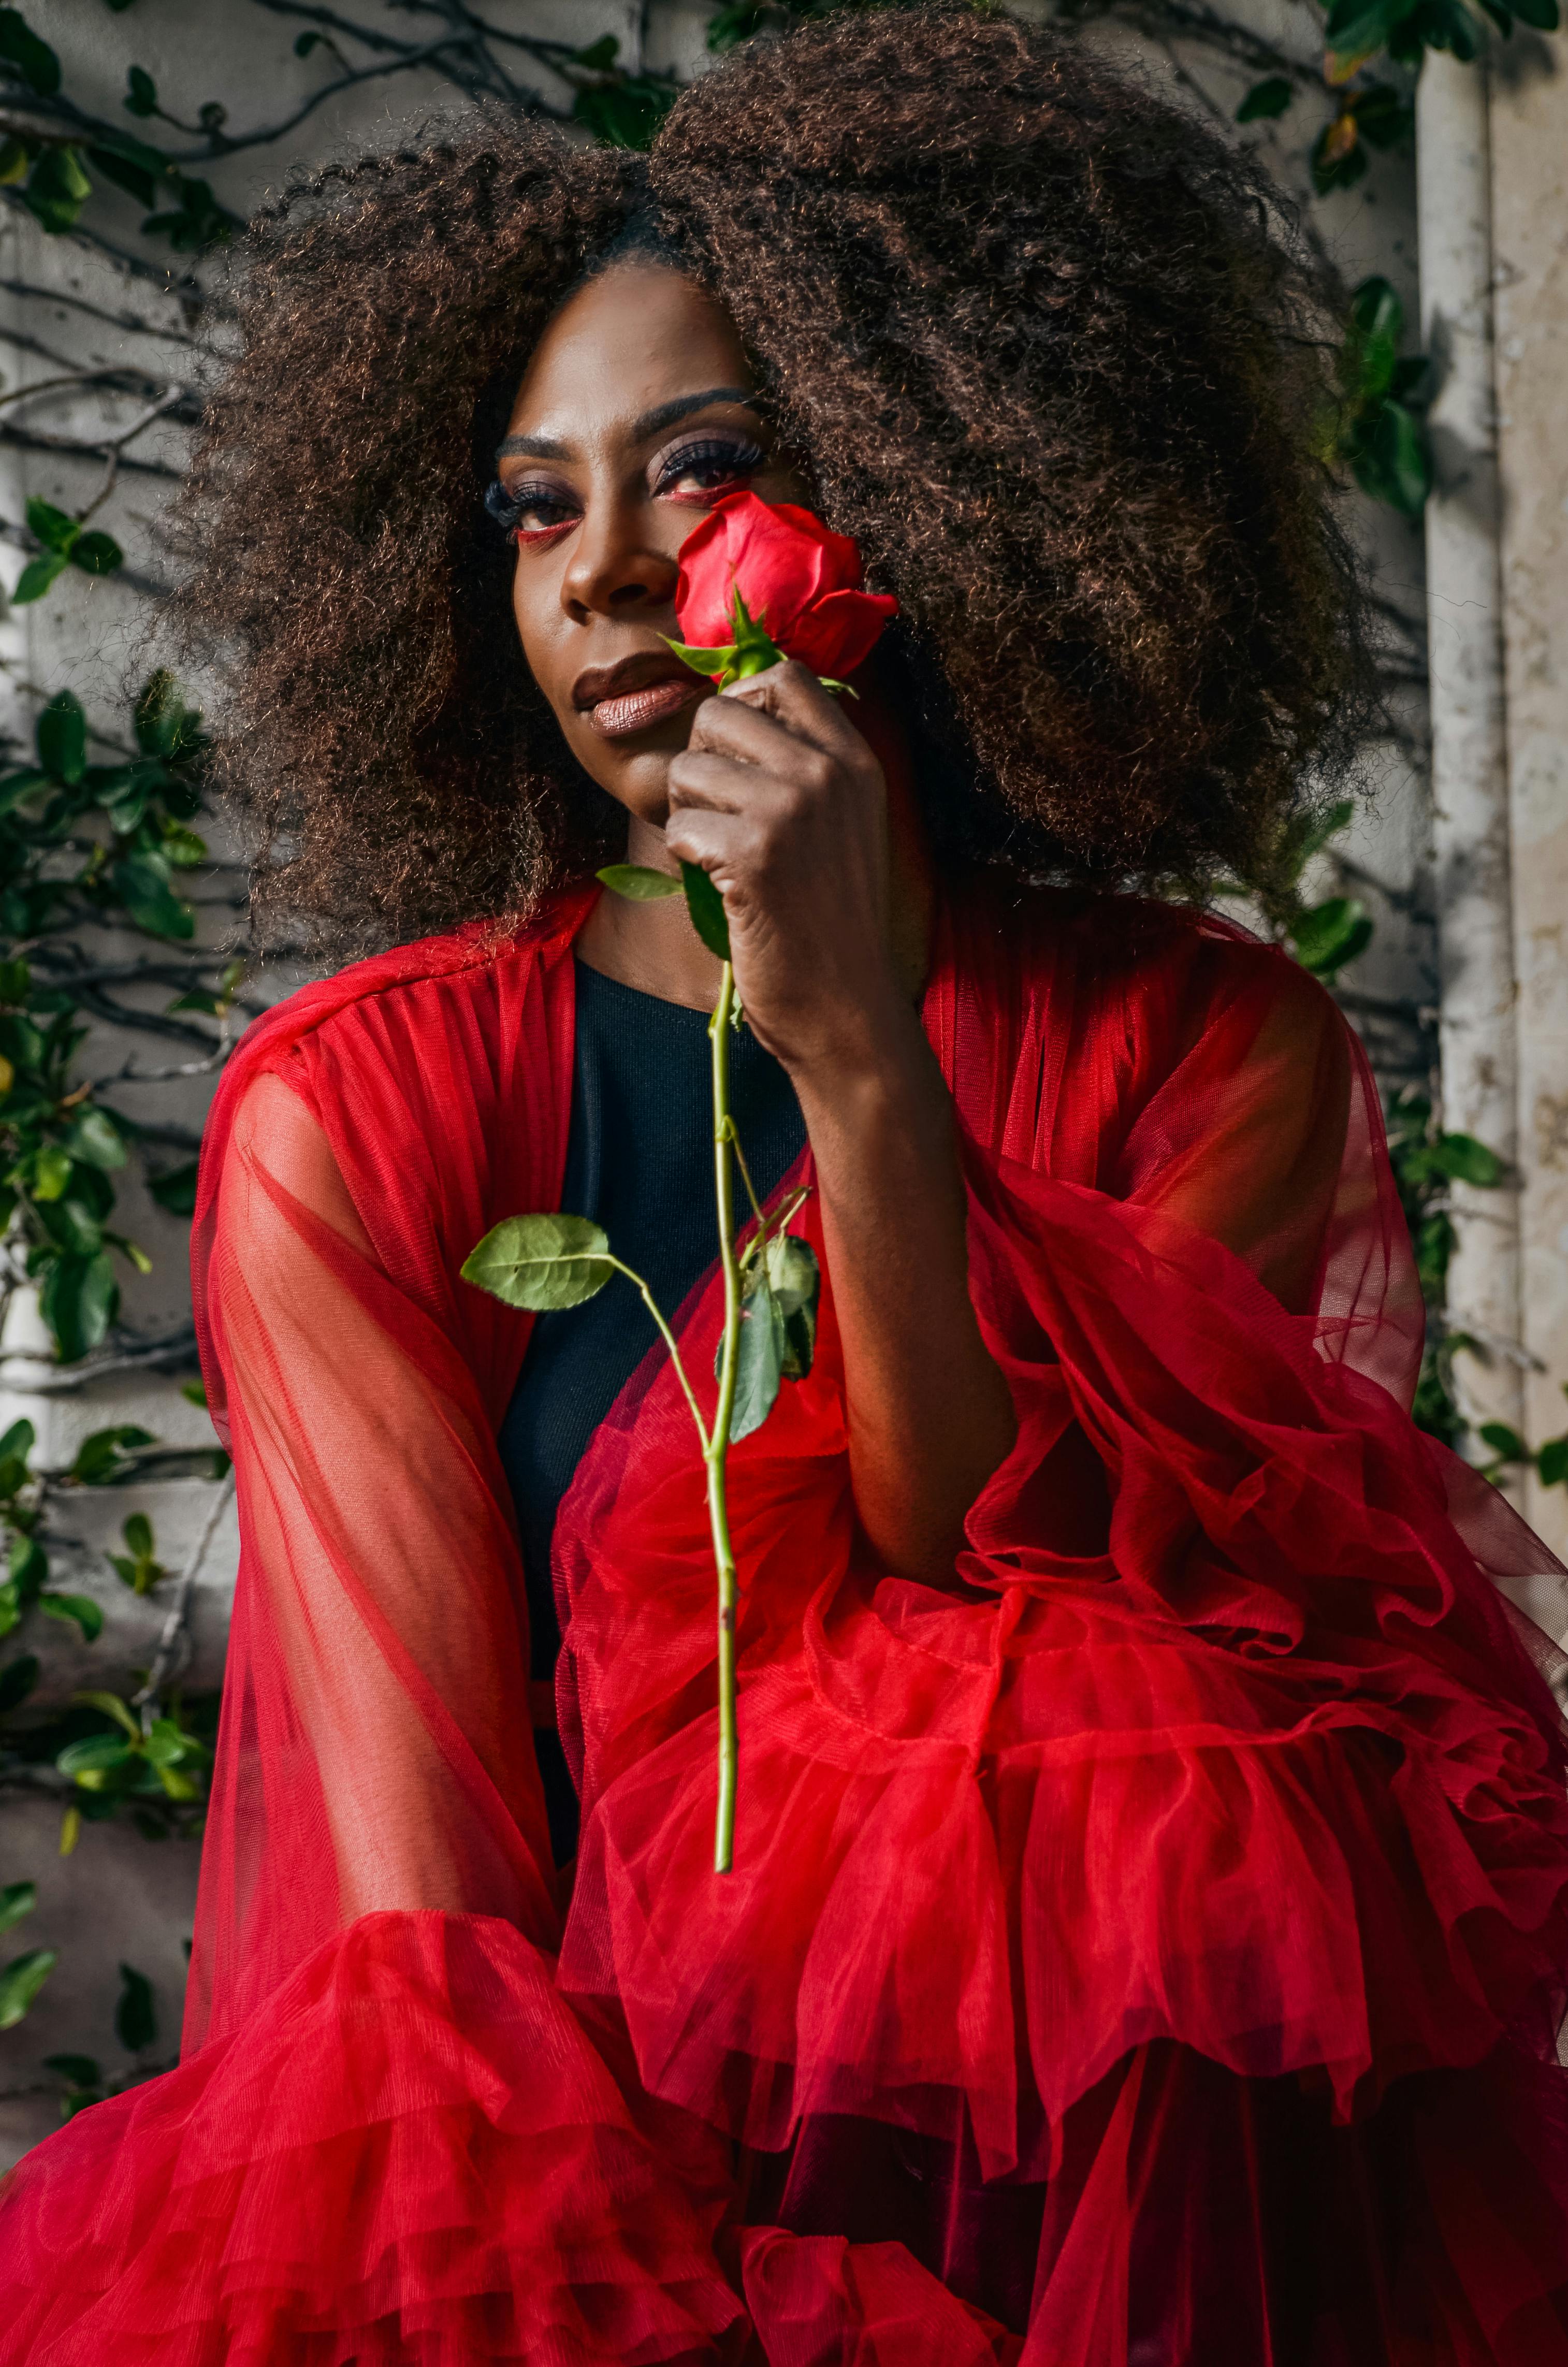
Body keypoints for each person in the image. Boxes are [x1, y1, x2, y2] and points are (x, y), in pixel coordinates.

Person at [6, 10, 1568, 2361]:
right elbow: (430, 1923)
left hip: (1104, 2265)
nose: (604, 574)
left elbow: (1022, 1606)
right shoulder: (367, 1119)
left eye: (701, 472)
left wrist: (853, 1047)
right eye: (535, 509)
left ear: (933, 486)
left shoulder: (1201, 1060)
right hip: (590, 2276)